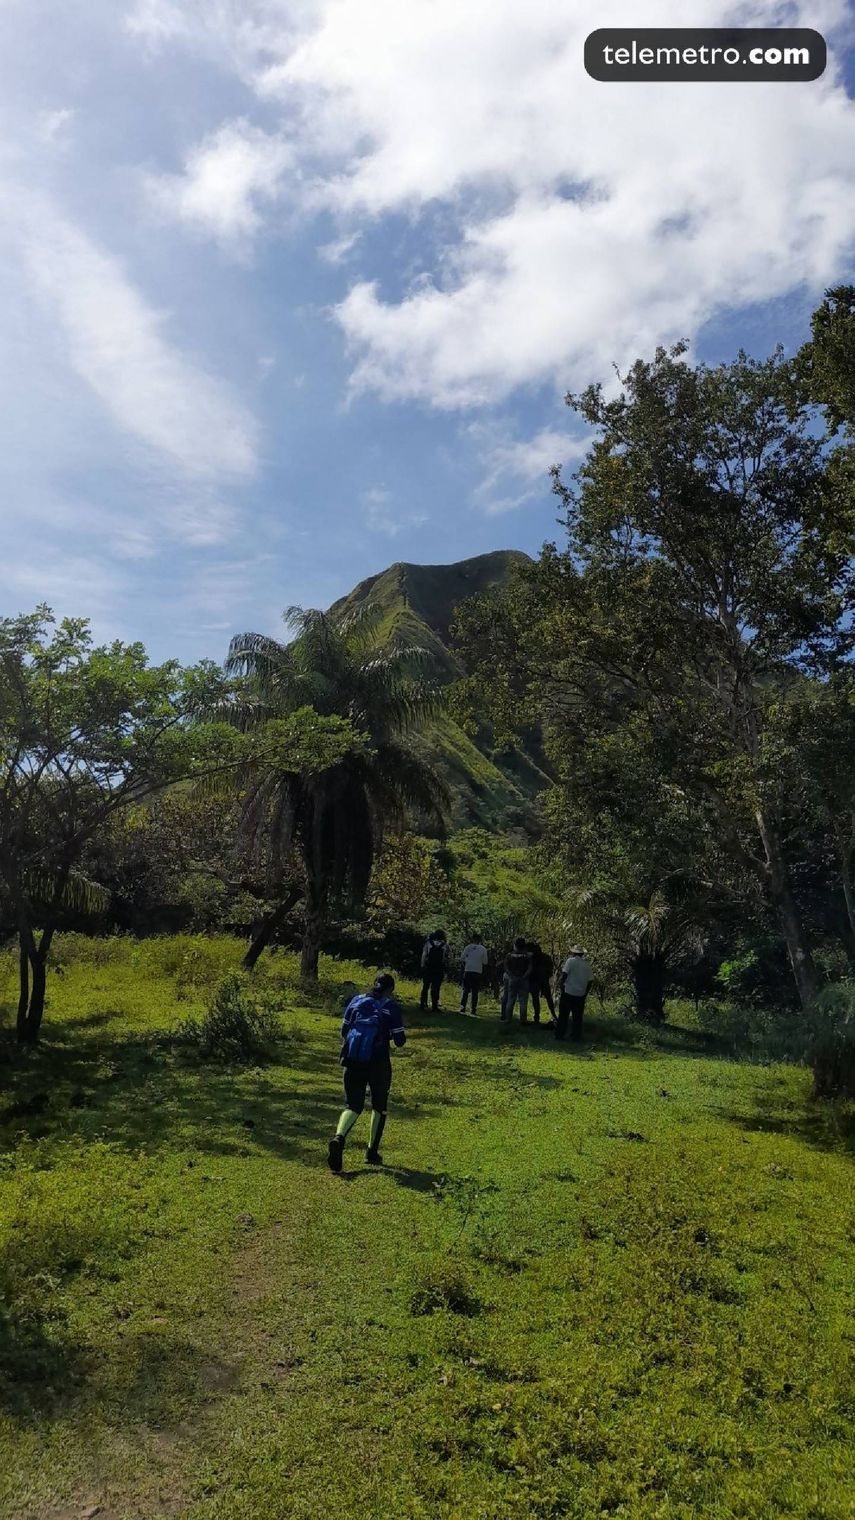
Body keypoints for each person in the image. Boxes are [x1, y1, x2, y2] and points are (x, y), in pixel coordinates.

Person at [327, 974, 406, 1172]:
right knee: (379, 1106)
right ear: (391, 990)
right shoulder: (391, 1007)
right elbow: (400, 1040)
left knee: (352, 1105)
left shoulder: (356, 1001)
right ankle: (371, 1151)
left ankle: (339, 1137)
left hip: (353, 1060)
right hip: (378, 1062)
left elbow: (344, 1031)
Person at [556, 947, 593, 1041]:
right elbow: (590, 981)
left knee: (563, 1015)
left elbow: (564, 975)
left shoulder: (570, 961)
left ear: (573, 953)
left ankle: (560, 1035)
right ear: (582, 954)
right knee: (577, 1017)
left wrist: (561, 987)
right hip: (580, 994)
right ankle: (576, 1037)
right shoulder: (587, 965)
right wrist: (585, 993)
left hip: (568, 991)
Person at [501, 937, 532, 1022]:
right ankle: (523, 1020)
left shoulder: (509, 955)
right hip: (524, 979)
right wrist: (524, 976)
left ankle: (508, 1019)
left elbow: (506, 967)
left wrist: (511, 976)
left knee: (510, 1000)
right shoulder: (527, 956)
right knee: (523, 1001)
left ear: (515, 945)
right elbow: (530, 968)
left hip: (512, 979)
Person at [459, 932, 489, 1015]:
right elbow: (485, 962)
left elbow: (461, 958)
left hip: (468, 970)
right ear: (480, 940)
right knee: (475, 991)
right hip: (477, 971)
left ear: (472, 939)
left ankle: (462, 1007)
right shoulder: (483, 949)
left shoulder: (468, 947)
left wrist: (468, 961)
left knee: (465, 990)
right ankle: (473, 1009)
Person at [527, 941, 556, 1026]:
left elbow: (529, 969)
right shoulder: (546, 957)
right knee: (548, 998)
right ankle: (553, 1014)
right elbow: (551, 970)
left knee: (536, 999)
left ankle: (537, 1017)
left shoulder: (532, 958)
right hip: (544, 980)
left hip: (535, 980)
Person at [420, 929, 447, 1012]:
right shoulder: (444, 945)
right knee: (436, 987)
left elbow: (424, 955)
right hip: (438, 968)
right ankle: (434, 1006)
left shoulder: (429, 943)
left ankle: (423, 1003)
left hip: (428, 967)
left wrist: (422, 965)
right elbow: (447, 957)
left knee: (426, 986)